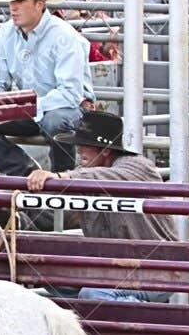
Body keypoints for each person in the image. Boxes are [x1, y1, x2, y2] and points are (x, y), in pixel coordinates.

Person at [25, 110, 177, 302]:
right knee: (48, 274)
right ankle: (95, 319)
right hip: (114, 268)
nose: (79, 150)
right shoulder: (84, 175)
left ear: (105, 150)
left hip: (154, 270)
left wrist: (61, 177)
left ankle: (141, 323)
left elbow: (105, 177)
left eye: (84, 145)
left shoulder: (138, 166)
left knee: (95, 293)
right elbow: (68, 190)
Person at [0, 0, 95, 176]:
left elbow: (70, 93)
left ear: (39, 4)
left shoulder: (65, 37)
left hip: (70, 108)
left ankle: (64, 178)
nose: (13, 8)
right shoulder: (6, 33)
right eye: (11, 2)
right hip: (31, 107)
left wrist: (25, 107)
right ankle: (24, 172)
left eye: (20, 2)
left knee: (56, 121)